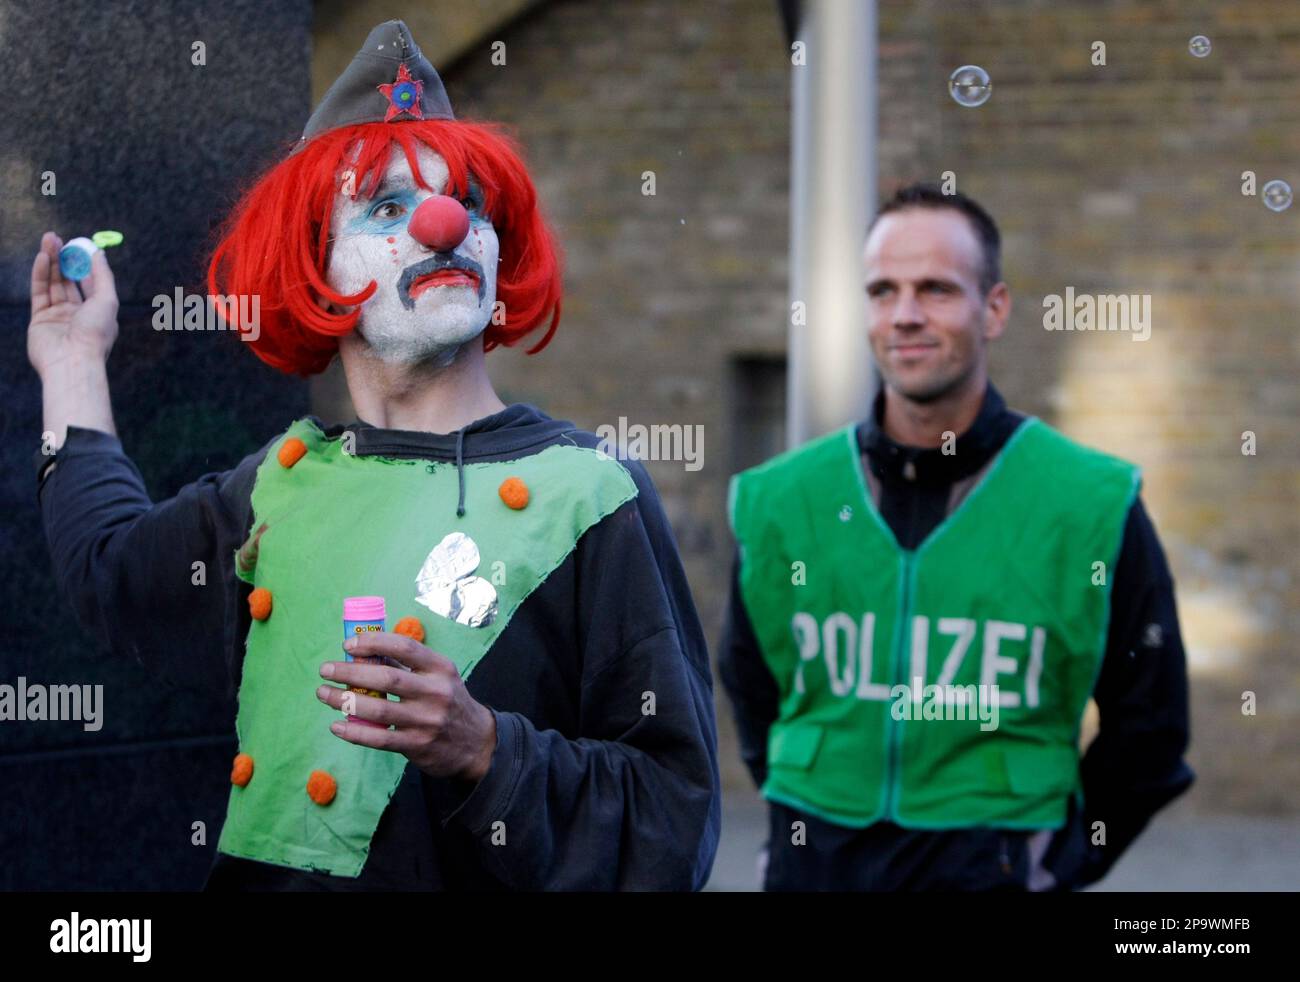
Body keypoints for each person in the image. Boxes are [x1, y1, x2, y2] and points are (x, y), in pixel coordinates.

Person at [30, 20, 719, 891]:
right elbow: (109, 570)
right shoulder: (280, 487)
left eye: (468, 203)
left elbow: (674, 818)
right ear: (315, 264)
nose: (444, 225)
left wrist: (485, 748)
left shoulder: (590, 495)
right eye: (387, 207)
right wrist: (69, 359)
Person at [720, 182, 1193, 891]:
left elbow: (1151, 731)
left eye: (936, 289)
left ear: (993, 308)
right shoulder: (781, 499)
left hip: (994, 868)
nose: (905, 315)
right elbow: (751, 685)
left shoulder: (1089, 502)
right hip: (816, 869)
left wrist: (1059, 863)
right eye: (883, 291)